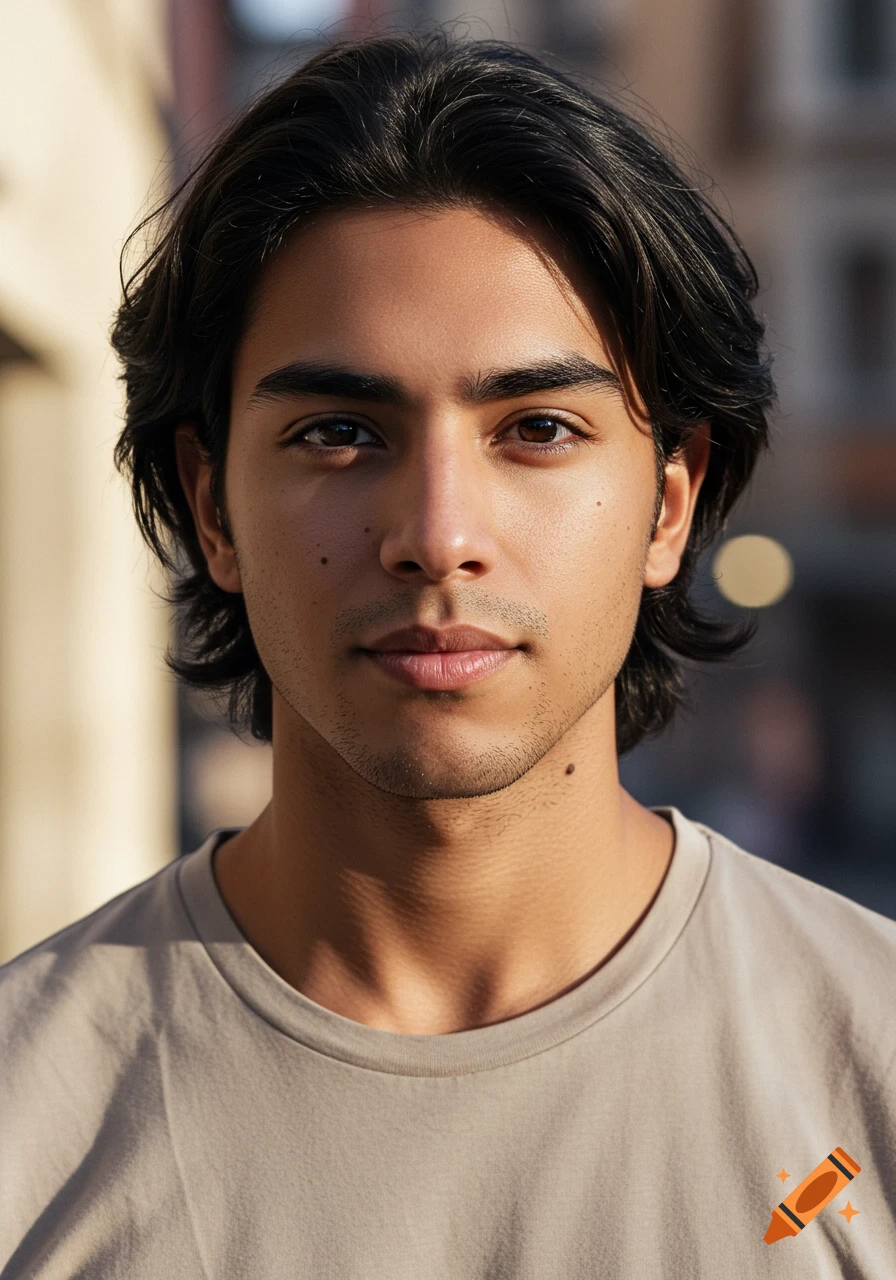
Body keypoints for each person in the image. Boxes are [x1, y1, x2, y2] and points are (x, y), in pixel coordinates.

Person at [1, 33, 894, 1278]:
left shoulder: (867, 1066)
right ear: (211, 507)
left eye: (537, 428)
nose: (435, 534)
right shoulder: (27, 1122)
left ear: (669, 500)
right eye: (337, 432)